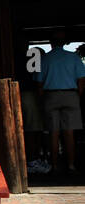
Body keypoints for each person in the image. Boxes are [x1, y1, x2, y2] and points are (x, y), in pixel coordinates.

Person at [36, 30, 85, 174]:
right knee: (69, 132)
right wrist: (78, 95)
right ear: (64, 43)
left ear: (50, 42)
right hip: (71, 94)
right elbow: (82, 79)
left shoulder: (44, 59)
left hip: (51, 95)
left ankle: (54, 165)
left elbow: (39, 83)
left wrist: (41, 100)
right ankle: (70, 165)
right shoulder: (73, 57)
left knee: (53, 132)